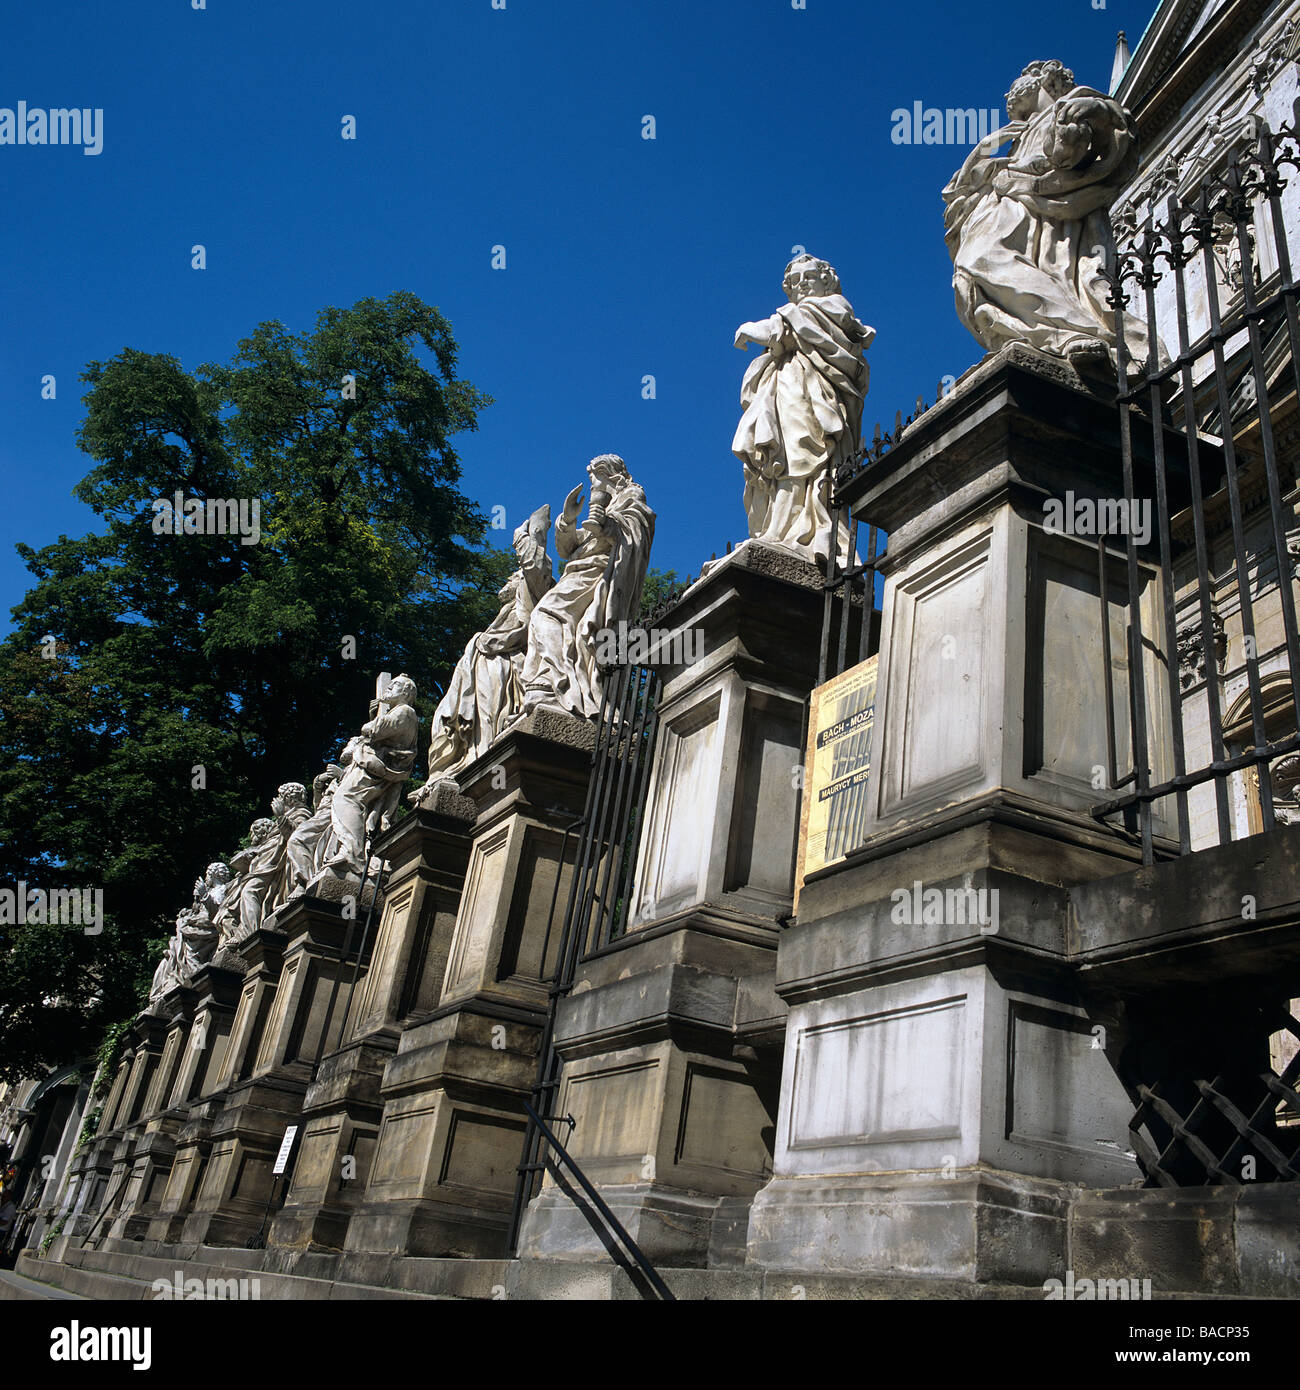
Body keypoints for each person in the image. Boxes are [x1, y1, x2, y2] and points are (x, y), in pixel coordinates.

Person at [942, 59, 1152, 369]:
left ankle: (1078, 333)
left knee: (979, 258)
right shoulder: (1018, 135)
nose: (1007, 96)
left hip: (1055, 215)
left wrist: (1073, 128)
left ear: (1043, 79)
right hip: (1015, 209)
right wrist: (990, 150)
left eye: (1018, 83)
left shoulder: (1076, 103)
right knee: (969, 268)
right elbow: (962, 186)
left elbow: (1107, 137)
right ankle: (1054, 335)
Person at [732, 255, 873, 569]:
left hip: (815, 392)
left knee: (807, 452)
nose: (801, 284)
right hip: (789, 383)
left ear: (826, 279)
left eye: (808, 275)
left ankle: (812, 529)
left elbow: (791, 330)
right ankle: (781, 529)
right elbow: (784, 333)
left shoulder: (835, 307)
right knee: (786, 456)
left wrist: (752, 329)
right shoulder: (796, 316)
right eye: (794, 281)